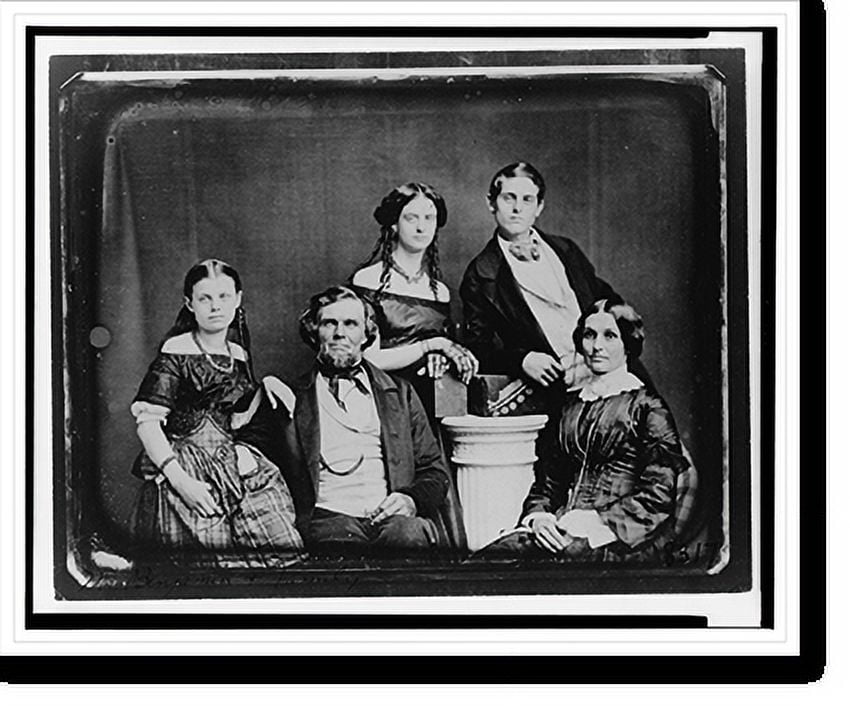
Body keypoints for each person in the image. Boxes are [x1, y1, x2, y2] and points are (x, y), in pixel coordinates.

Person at [481, 297, 698, 563]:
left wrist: (596, 523)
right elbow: (548, 482)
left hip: (622, 540)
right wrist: (540, 518)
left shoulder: (647, 407)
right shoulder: (570, 406)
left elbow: (658, 494)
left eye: (610, 336)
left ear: (628, 343)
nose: (597, 346)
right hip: (564, 528)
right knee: (490, 560)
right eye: (589, 335)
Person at [129, 259, 304, 561]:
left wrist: (266, 386)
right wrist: (181, 482)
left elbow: (232, 421)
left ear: (238, 299)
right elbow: (148, 423)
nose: (215, 307)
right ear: (190, 303)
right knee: (210, 563)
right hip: (185, 466)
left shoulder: (236, 353)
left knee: (280, 549)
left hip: (230, 463)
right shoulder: (176, 351)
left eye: (224, 297)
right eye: (204, 298)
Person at [284, 285, 456, 557]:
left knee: (411, 536)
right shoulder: (291, 396)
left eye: (351, 323)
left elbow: (434, 471)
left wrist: (411, 499)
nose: (340, 333)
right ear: (314, 330)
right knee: (337, 547)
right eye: (330, 323)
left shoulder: (400, 394)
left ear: (367, 334)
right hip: (329, 520)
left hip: (391, 519)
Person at [460, 161, 630, 398]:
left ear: (539, 207)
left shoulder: (565, 250)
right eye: (508, 198)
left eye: (527, 200)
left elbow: (610, 302)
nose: (517, 208)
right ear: (491, 203)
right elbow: (478, 349)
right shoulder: (480, 274)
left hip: (613, 375)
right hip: (557, 391)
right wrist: (522, 360)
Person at [350, 182, 478, 394]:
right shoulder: (368, 280)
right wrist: (430, 345)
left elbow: (439, 351)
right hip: (382, 396)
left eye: (429, 218)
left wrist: (440, 355)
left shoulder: (440, 292)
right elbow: (369, 359)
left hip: (432, 398)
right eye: (411, 218)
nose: (421, 227)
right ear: (394, 224)